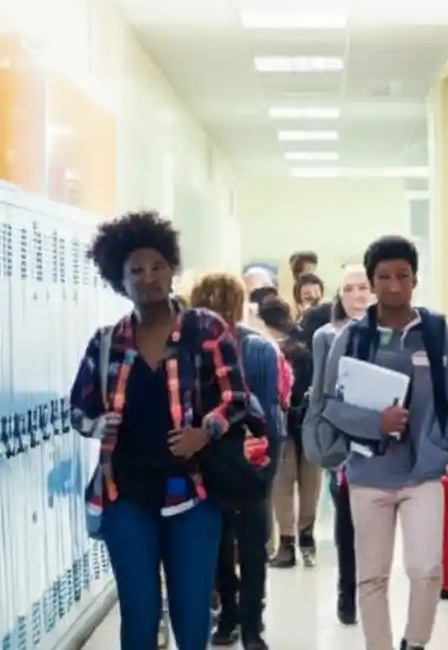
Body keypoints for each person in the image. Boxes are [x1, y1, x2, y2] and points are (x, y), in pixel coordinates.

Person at [70, 211, 268, 650]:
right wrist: (97, 422)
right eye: (135, 270)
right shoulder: (107, 342)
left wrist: (205, 430)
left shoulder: (205, 329)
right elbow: (78, 410)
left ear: (172, 269)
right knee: (139, 615)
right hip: (125, 495)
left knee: (190, 612)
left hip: (193, 493)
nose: (149, 277)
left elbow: (236, 398)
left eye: (158, 266)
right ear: (119, 278)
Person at [312, 237, 448, 650]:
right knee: (372, 576)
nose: (394, 285)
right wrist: (376, 423)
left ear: (415, 279)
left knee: (426, 570)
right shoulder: (352, 337)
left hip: (422, 475)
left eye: (403, 275)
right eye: (384, 277)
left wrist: (438, 452)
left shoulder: (436, 334)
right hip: (368, 474)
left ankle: (414, 643)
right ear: (371, 282)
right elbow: (330, 403)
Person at [188, 273, 282, 650]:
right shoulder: (254, 347)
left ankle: (233, 618)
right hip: (242, 462)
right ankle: (249, 624)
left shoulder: (192, 348)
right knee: (250, 546)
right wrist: (267, 466)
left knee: (224, 546)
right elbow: (268, 418)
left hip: (213, 460)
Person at [309, 265, 372, 624]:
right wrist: (328, 450)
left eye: (363, 287)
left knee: (375, 529)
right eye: (349, 289)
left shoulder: (391, 334)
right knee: (346, 525)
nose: (357, 295)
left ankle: (370, 593)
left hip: (383, 444)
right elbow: (321, 394)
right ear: (340, 295)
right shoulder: (326, 336)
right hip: (344, 448)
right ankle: (347, 596)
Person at [257, 296, 322, 569]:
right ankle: (307, 537)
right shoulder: (306, 345)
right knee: (310, 480)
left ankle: (286, 545)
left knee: (283, 484)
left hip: (282, 421)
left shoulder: (268, 350)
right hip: (309, 420)